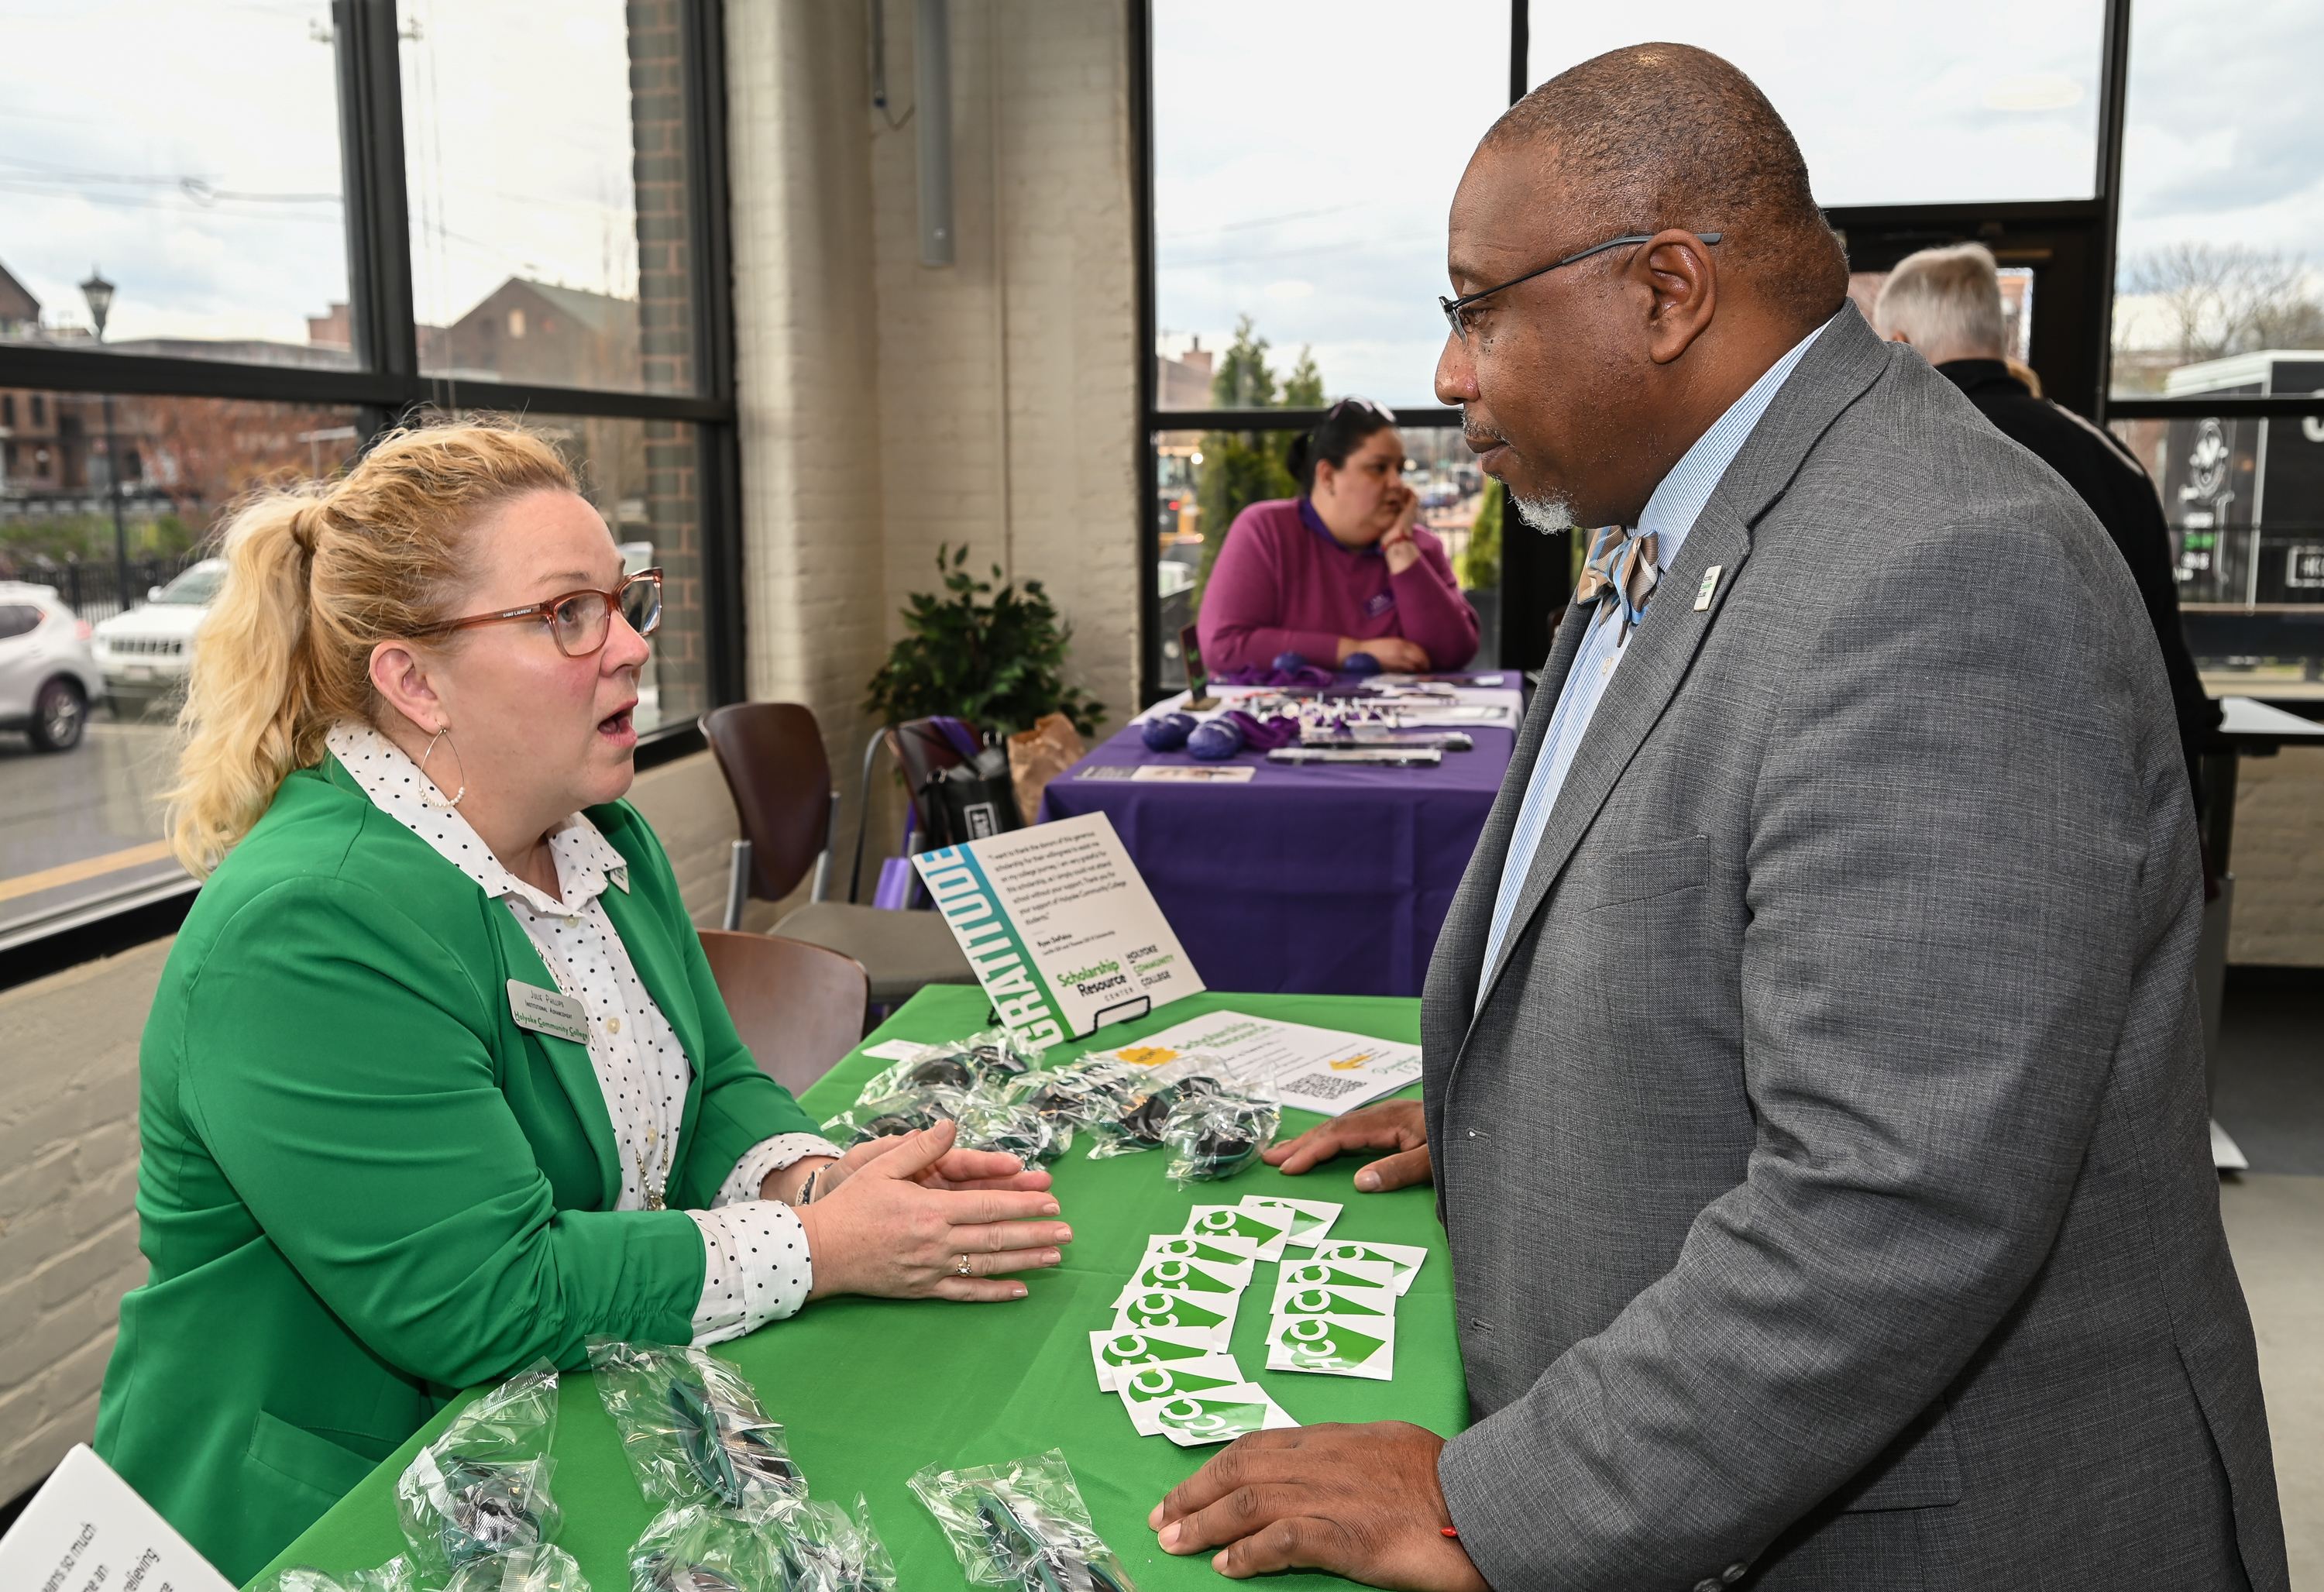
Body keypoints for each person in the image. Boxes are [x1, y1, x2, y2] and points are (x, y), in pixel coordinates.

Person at [1149, 43, 2287, 1592]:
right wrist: (1524, 1096)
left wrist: (1494, 1505)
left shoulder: (1943, 569)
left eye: (1479, 307)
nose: (1451, 375)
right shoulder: (1680, 528)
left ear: (1668, 291)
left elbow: (1895, 1201)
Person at [91, 421, 1074, 1580]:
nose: (627, 647)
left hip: (537, 1450)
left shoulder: (605, 838)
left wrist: (812, 1176)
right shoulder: (309, 927)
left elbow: (705, 1076)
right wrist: (814, 1246)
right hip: (312, 1518)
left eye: (624, 599)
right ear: (412, 678)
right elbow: (482, 1294)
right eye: (567, 613)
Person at [1875, 242, 2223, 817]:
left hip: (1958, 807)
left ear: (1902, 346)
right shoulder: (2113, 457)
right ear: (2003, 339)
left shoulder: (1894, 458)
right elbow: (2163, 652)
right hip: (2132, 798)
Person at [1196, 397, 1480, 674]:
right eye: (1379, 468)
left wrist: (1400, 549)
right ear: (1328, 476)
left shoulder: (1419, 547)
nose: (1397, 483)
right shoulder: (1266, 530)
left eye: (1399, 469)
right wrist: (1354, 651)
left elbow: (1455, 654)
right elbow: (1223, 646)